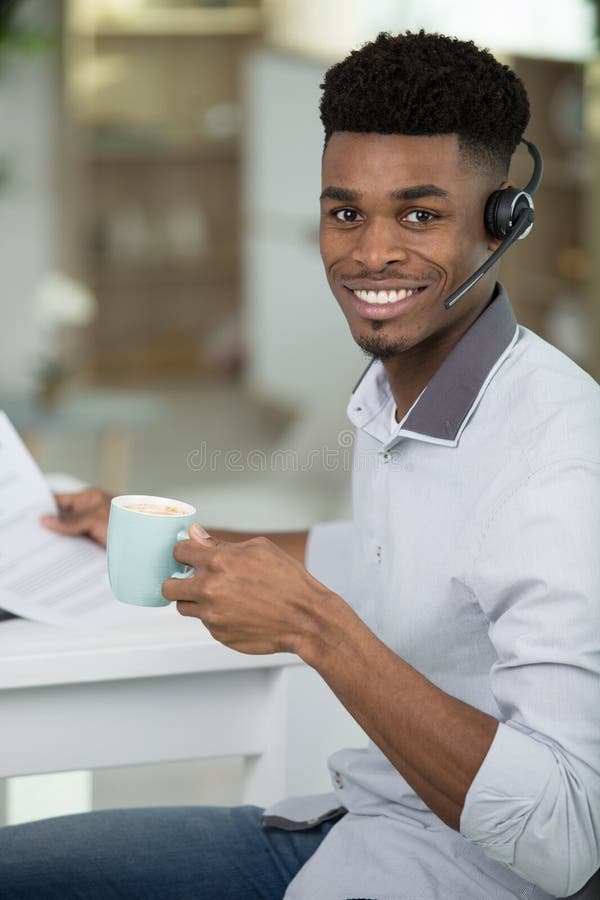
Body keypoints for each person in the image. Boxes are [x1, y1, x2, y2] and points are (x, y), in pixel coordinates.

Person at [1, 30, 599, 900]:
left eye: (420, 215)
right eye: (346, 211)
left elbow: (567, 836)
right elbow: (384, 558)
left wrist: (317, 629)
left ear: (503, 217)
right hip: (354, 835)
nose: (370, 254)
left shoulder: (558, 464)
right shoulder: (398, 391)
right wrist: (183, 539)